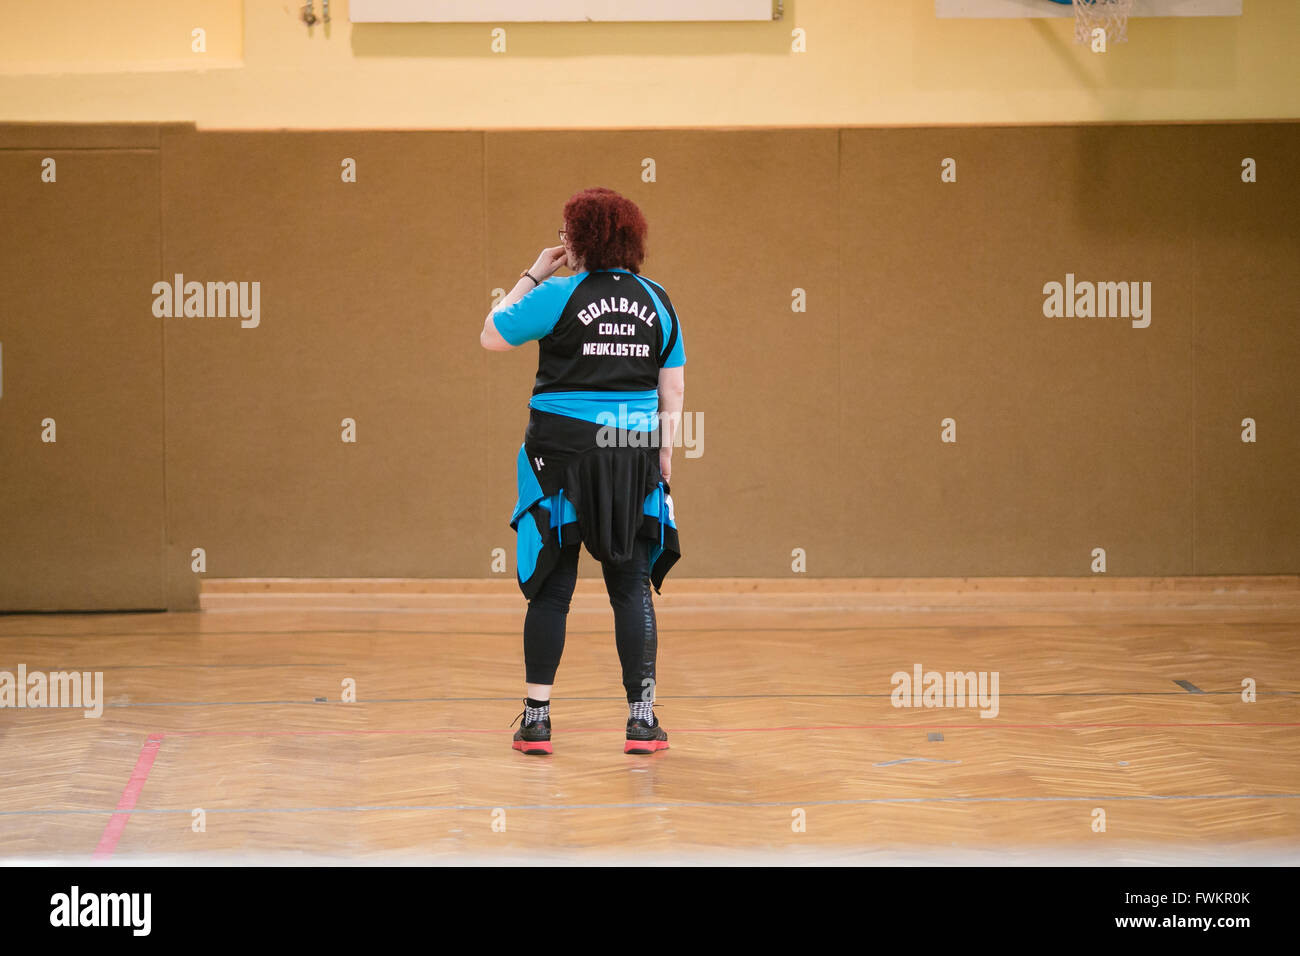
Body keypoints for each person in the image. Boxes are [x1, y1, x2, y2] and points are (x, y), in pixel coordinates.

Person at [479, 186, 685, 756]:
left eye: (566, 231)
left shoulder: (559, 294)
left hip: (558, 456)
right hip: (631, 454)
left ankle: (537, 721)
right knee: (629, 584)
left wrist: (532, 275)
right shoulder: (659, 299)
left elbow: (491, 335)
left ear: (578, 238)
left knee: (552, 588)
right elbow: (673, 387)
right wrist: (664, 456)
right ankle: (641, 721)